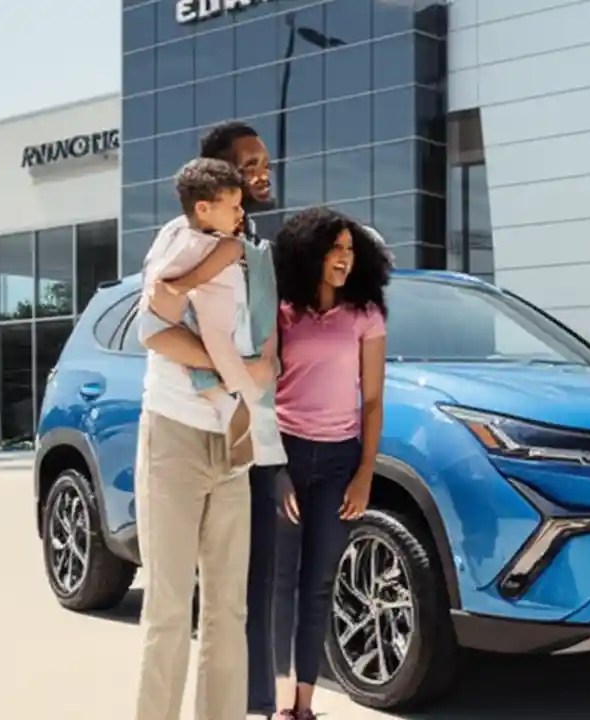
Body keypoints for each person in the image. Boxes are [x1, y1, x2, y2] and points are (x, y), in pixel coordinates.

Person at [142, 120, 287, 719]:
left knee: (229, 609)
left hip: (235, 441)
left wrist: (259, 370)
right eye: (248, 165)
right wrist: (233, 371)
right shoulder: (179, 237)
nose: (261, 173)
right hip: (176, 435)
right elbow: (155, 329)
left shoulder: (256, 251)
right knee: (170, 609)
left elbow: (266, 345)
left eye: (264, 163)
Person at [269, 207, 391, 720]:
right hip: (285, 453)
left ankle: (304, 706)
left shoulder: (365, 314)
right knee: (280, 583)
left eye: (350, 250)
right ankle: (279, 704)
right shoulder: (281, 312)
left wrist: (365, 473)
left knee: (318, 584)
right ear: (309, 253)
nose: (344, 258)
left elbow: (372, 401)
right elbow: (259, 394)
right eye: (334, 249)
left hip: (340, 462)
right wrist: (275, 472)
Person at [142, 157, 263, 470]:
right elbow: (163, 289)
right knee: (219, 353)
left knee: (210, 360)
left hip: (206, 318)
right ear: (203, 208)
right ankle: (243, 404)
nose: (240, 212)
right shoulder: (189, 242)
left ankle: (234, 410)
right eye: (234, 206)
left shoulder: (215, 242)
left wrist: (179, 288)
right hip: (204, 321)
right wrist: (177, 287)